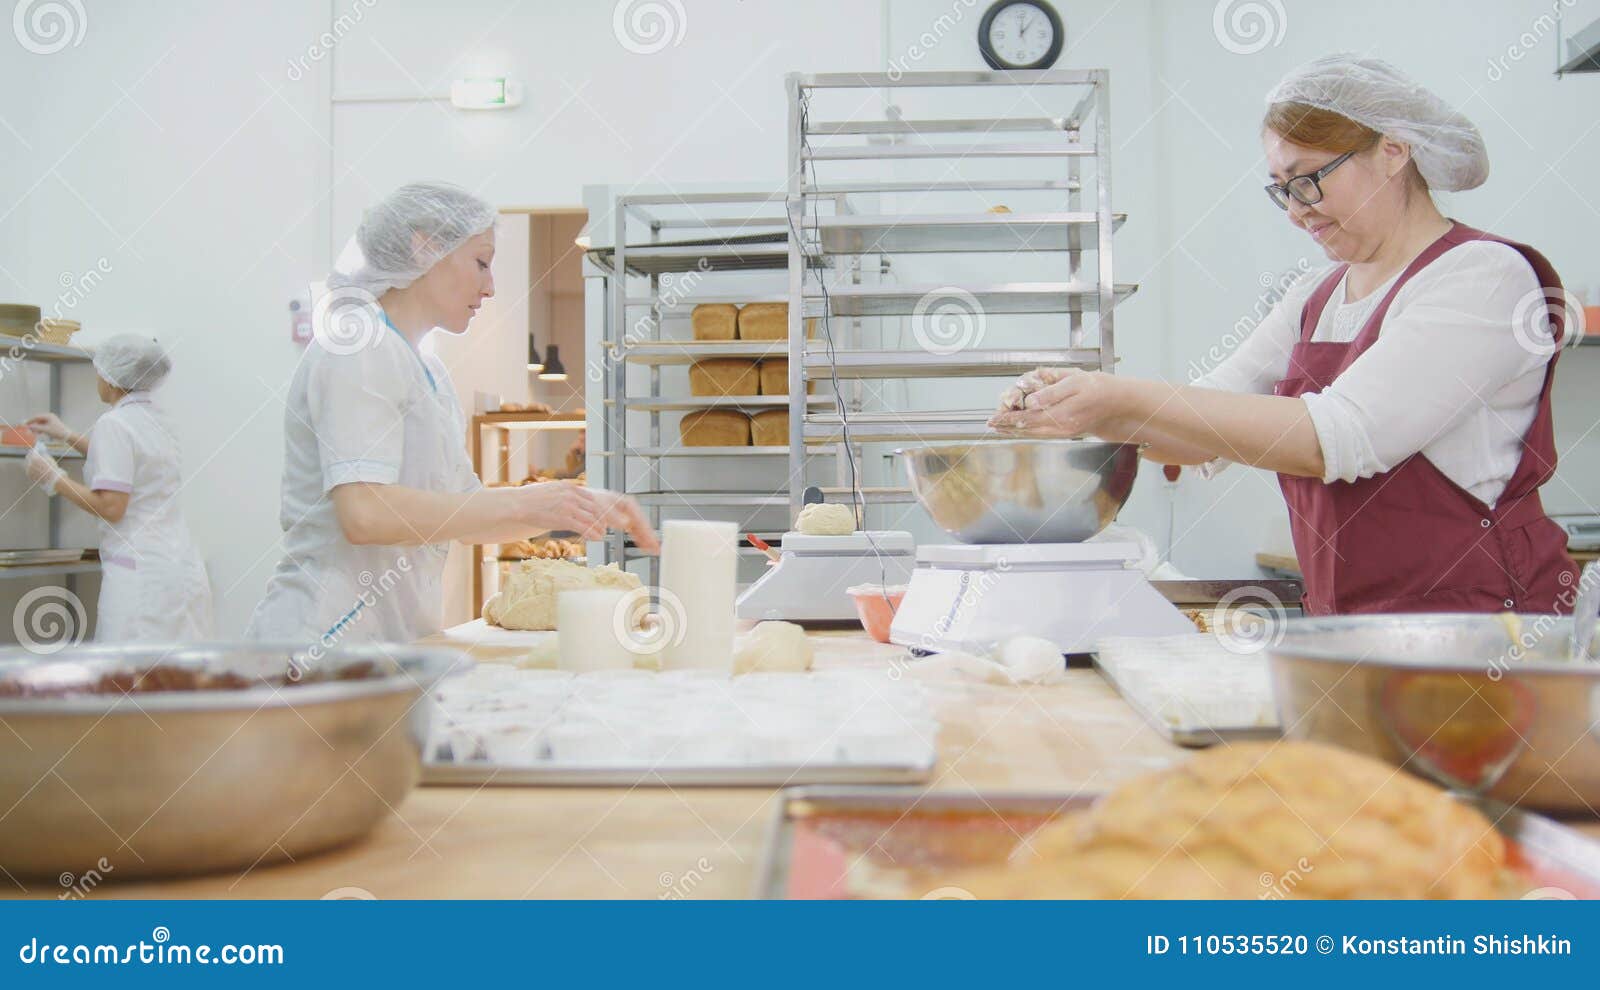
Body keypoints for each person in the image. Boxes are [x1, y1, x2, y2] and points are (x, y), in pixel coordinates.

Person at [989, 54, 1579, 616]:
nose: (1297, 211)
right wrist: (1085, 409)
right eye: (1282, 189)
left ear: (1393, 151)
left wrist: (1118, 397)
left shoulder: (1482, 276)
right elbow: (1199, 432)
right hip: (1351, 628)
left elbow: (1339, 437)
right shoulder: (1314, 296)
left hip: (1482, 626)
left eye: (1307, 180)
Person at [246, 182, 657, 644]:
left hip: (397, 639)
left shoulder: (430, 372)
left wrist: (575, 504)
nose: (491, 286)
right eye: (481, 262)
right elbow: (364, 512)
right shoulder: (358, 346)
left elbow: (469, 515)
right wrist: (526, 501)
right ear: (424, 248)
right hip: (323, 639)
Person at [23, 335, 214, 640]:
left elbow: (112, 507)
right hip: (180, 569)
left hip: (140, 579)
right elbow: (130, 463)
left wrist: (54, 478)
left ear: (111, 379)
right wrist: (67, 434)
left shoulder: (114, 423)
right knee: (178, 666)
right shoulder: (159, 420)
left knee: (128, 667)